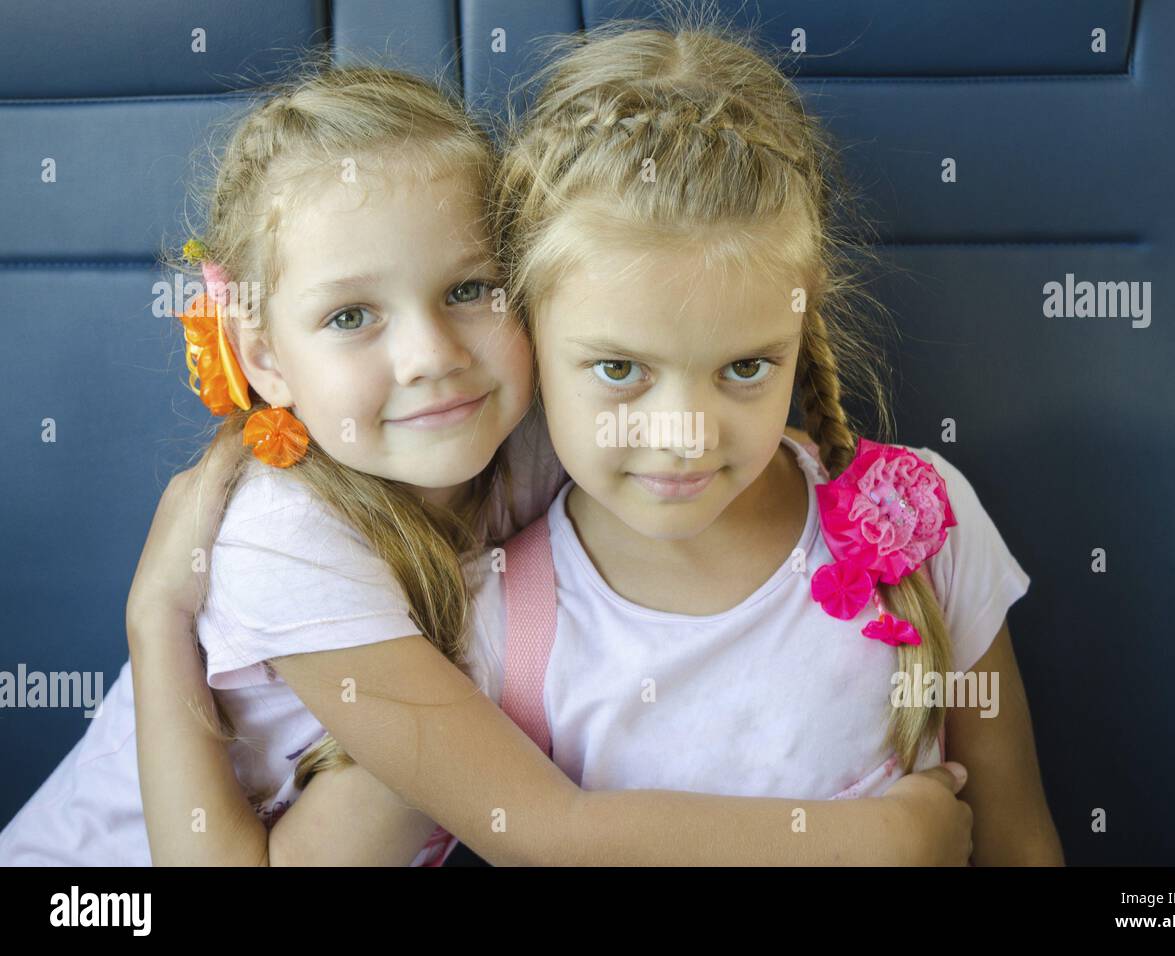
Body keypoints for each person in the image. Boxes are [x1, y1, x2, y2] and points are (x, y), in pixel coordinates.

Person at [0, 58, 974, 868]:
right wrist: (872, 836)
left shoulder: (524, 437)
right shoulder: (283, 536)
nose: (430, 353)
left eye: (470, 287)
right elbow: (538, 826)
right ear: (259, 354)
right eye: (350, 315)